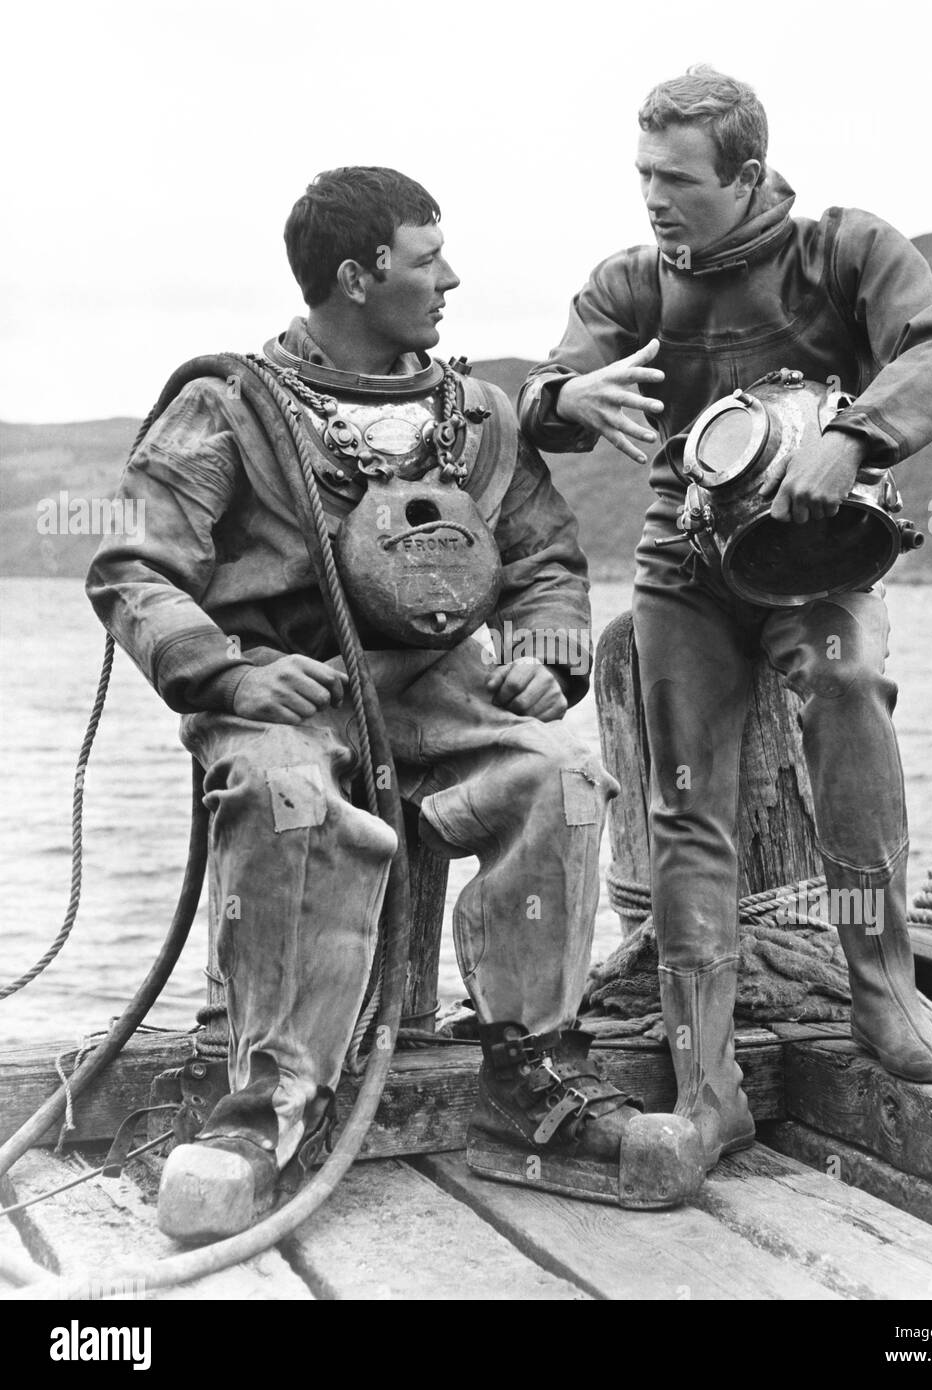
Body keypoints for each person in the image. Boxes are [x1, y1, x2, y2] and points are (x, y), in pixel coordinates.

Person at [87, 166, 700, 1242]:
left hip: (441, 698)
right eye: (425, 260)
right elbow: (133, 572)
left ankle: (533, 1078)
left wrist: (548, 660)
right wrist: (230, 676)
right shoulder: (227, 408)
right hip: (288, 698)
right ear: (356, 276)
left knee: (557, 783)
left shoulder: (475, 416)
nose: (449, 278)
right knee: (285, 796)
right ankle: (266, 1107)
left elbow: (545, 560)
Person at [519, 67, 932, 1171]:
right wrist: (560, 401)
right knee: (686, 802)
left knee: (846, 687)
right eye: (640, 173)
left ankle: (879, 985)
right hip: (685, 566)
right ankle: (706, 1083)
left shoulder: (841, 252)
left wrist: (857, 435)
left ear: (743, 173)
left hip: (821, 562)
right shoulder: (632, 282)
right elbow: (551, 386)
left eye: (674, 178)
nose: (651, 195)